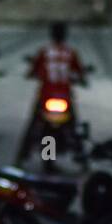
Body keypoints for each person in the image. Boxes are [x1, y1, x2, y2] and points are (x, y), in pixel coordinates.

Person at [15, 21, 87, 167]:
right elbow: (80, 73)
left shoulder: (45, 51)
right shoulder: (71, 53)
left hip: (46, 97)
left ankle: (21, 157)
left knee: (33, 125)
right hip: (65, 97)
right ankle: (81, 156)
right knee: (74, 126)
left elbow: (32, 72)